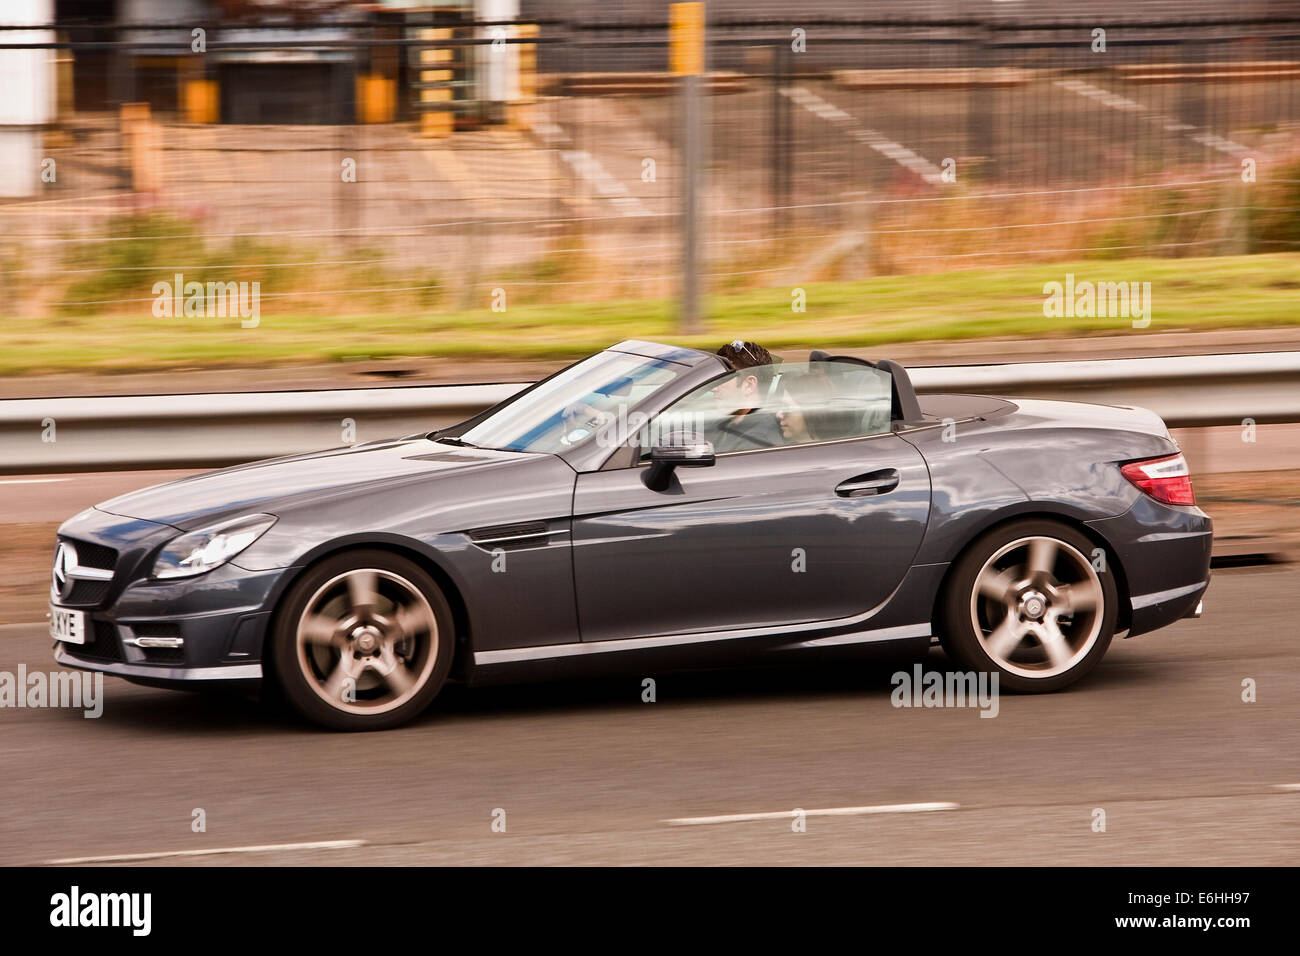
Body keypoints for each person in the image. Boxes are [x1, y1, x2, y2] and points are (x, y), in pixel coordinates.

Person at [709, 340, 783, 452]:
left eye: (722, 379)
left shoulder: (758, 444)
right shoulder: (726, 425)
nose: (713, 389)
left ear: (749, 385)